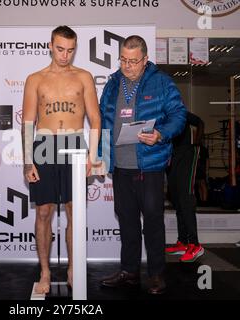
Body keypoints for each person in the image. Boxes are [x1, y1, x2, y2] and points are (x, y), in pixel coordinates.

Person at [98, 35, 187, 295]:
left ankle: (157, 274)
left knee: (153, 222)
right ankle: (129, 272)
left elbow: (179, 115)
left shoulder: (162, 82)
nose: (127, 66)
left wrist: (160, 133)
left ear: (145, 59)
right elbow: (104, 120)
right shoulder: (113, 83)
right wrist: (103, 158)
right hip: (121, 166)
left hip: (150, 165)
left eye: (133, 61)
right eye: (123, 60)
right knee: (127, 221)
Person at [22, 26, 101, 294]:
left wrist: (93, 154)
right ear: (50, 45)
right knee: (43, 212)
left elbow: (96, 118)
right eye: (60, 49)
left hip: (75, 144)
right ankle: (44, 272)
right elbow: (28, 121)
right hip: (43, 144)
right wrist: (26, 160)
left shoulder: (84, 77)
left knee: (73, 212)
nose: (65, 55)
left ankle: (72, 269)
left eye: (70, 50)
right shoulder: (35, 78)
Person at [166, 112, 205, 262]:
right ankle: (183, 242)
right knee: (176, 199)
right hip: (172, 155)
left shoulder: (178, 110)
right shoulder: (160, 113)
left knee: (185, 199)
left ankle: (195, 244)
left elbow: (200, 122)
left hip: (187, 154)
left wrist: (197, 143)